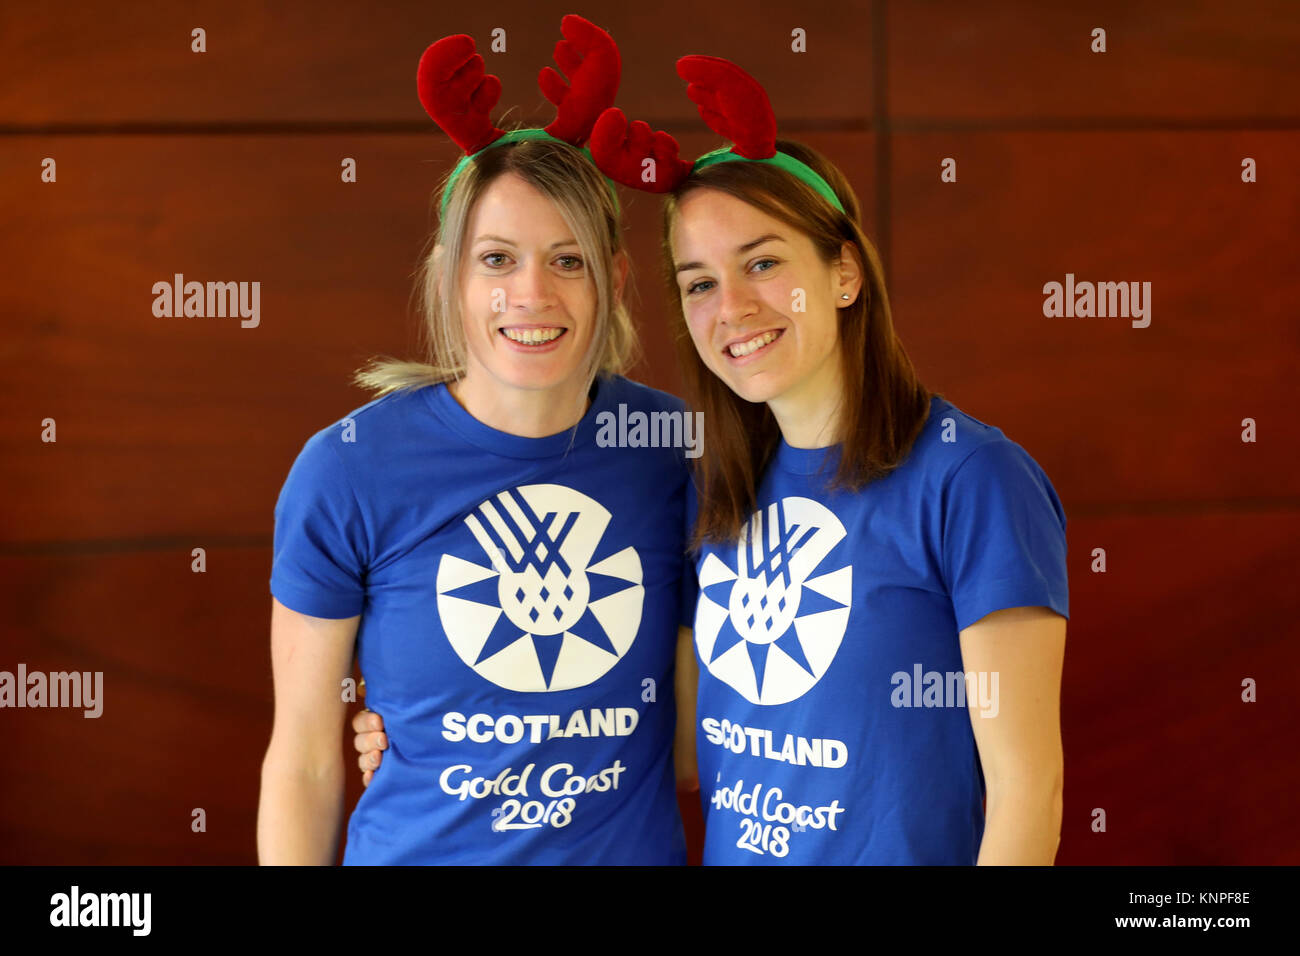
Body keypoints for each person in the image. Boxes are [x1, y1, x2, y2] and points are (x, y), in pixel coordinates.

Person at [355, 55, 1069, 866]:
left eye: (763, 263)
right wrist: (418, 728)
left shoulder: (969, 478)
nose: (732, 307)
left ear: (845, 273)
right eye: (698, 282)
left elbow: (1027, 791)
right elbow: (684, 751)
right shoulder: (712, 480)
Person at [257, 17, 695, 865]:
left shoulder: (675, 451)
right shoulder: (347, 469)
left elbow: (699, 739)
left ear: (616, 277)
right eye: (497, 259)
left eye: (567, 261)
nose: (530, 294)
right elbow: (306, 762)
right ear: (452, 277)